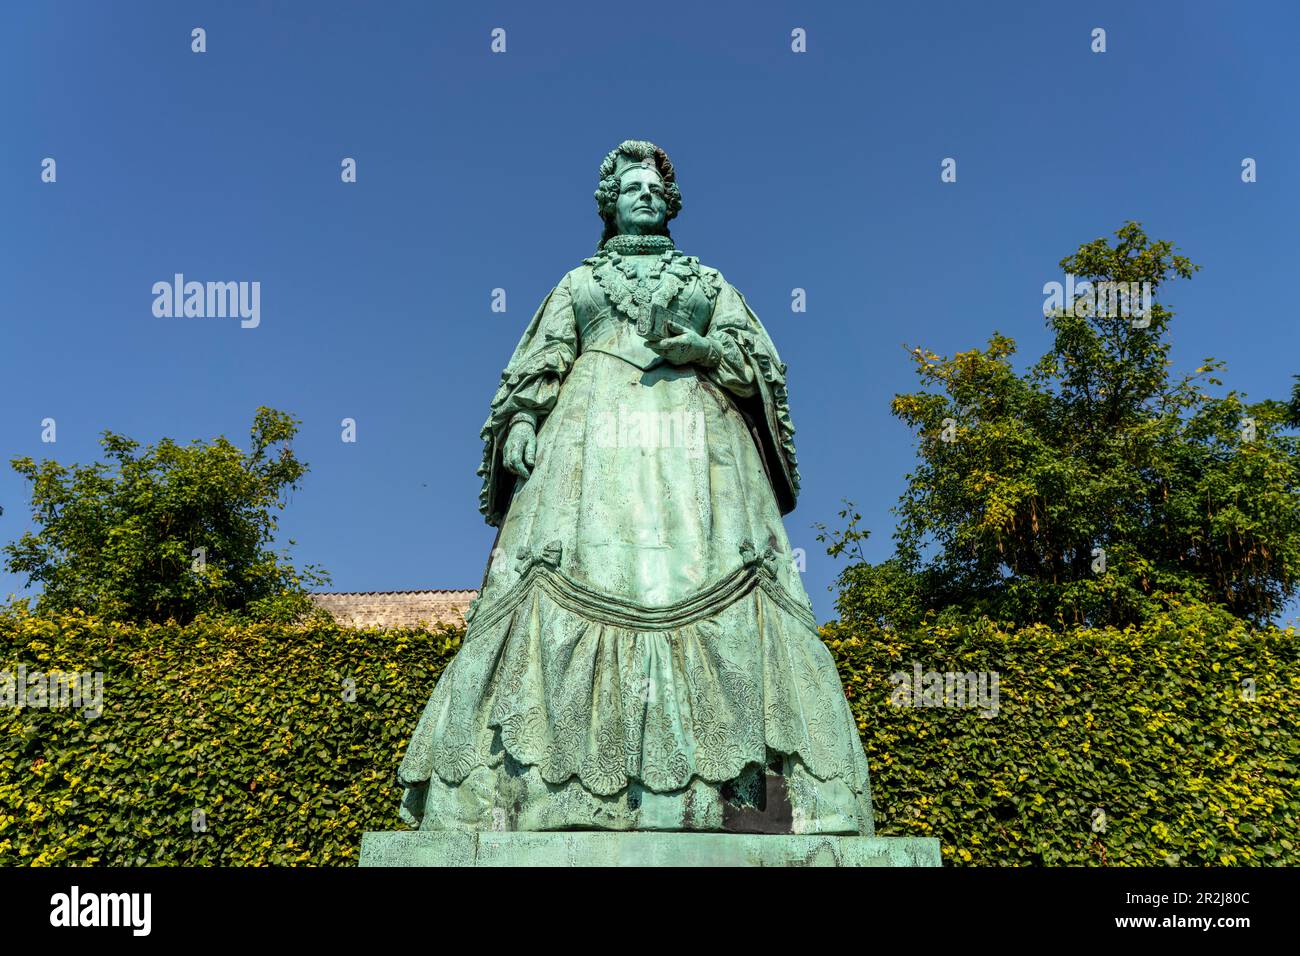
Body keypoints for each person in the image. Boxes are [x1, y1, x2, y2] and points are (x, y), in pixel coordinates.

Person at [397, 140, 874, 835]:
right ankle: (551, 797)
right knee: (562, 584)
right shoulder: (577, 283)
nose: (645, 196)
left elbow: (760, 366)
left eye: (654, 188)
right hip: (585, 458)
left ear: (671, 202)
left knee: (720, 586)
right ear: (611, 203)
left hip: (701, 459)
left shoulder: (708, 283)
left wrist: (703, 350)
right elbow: (540, 361)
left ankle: (743, 796)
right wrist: (525, 423)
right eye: (631, 189)